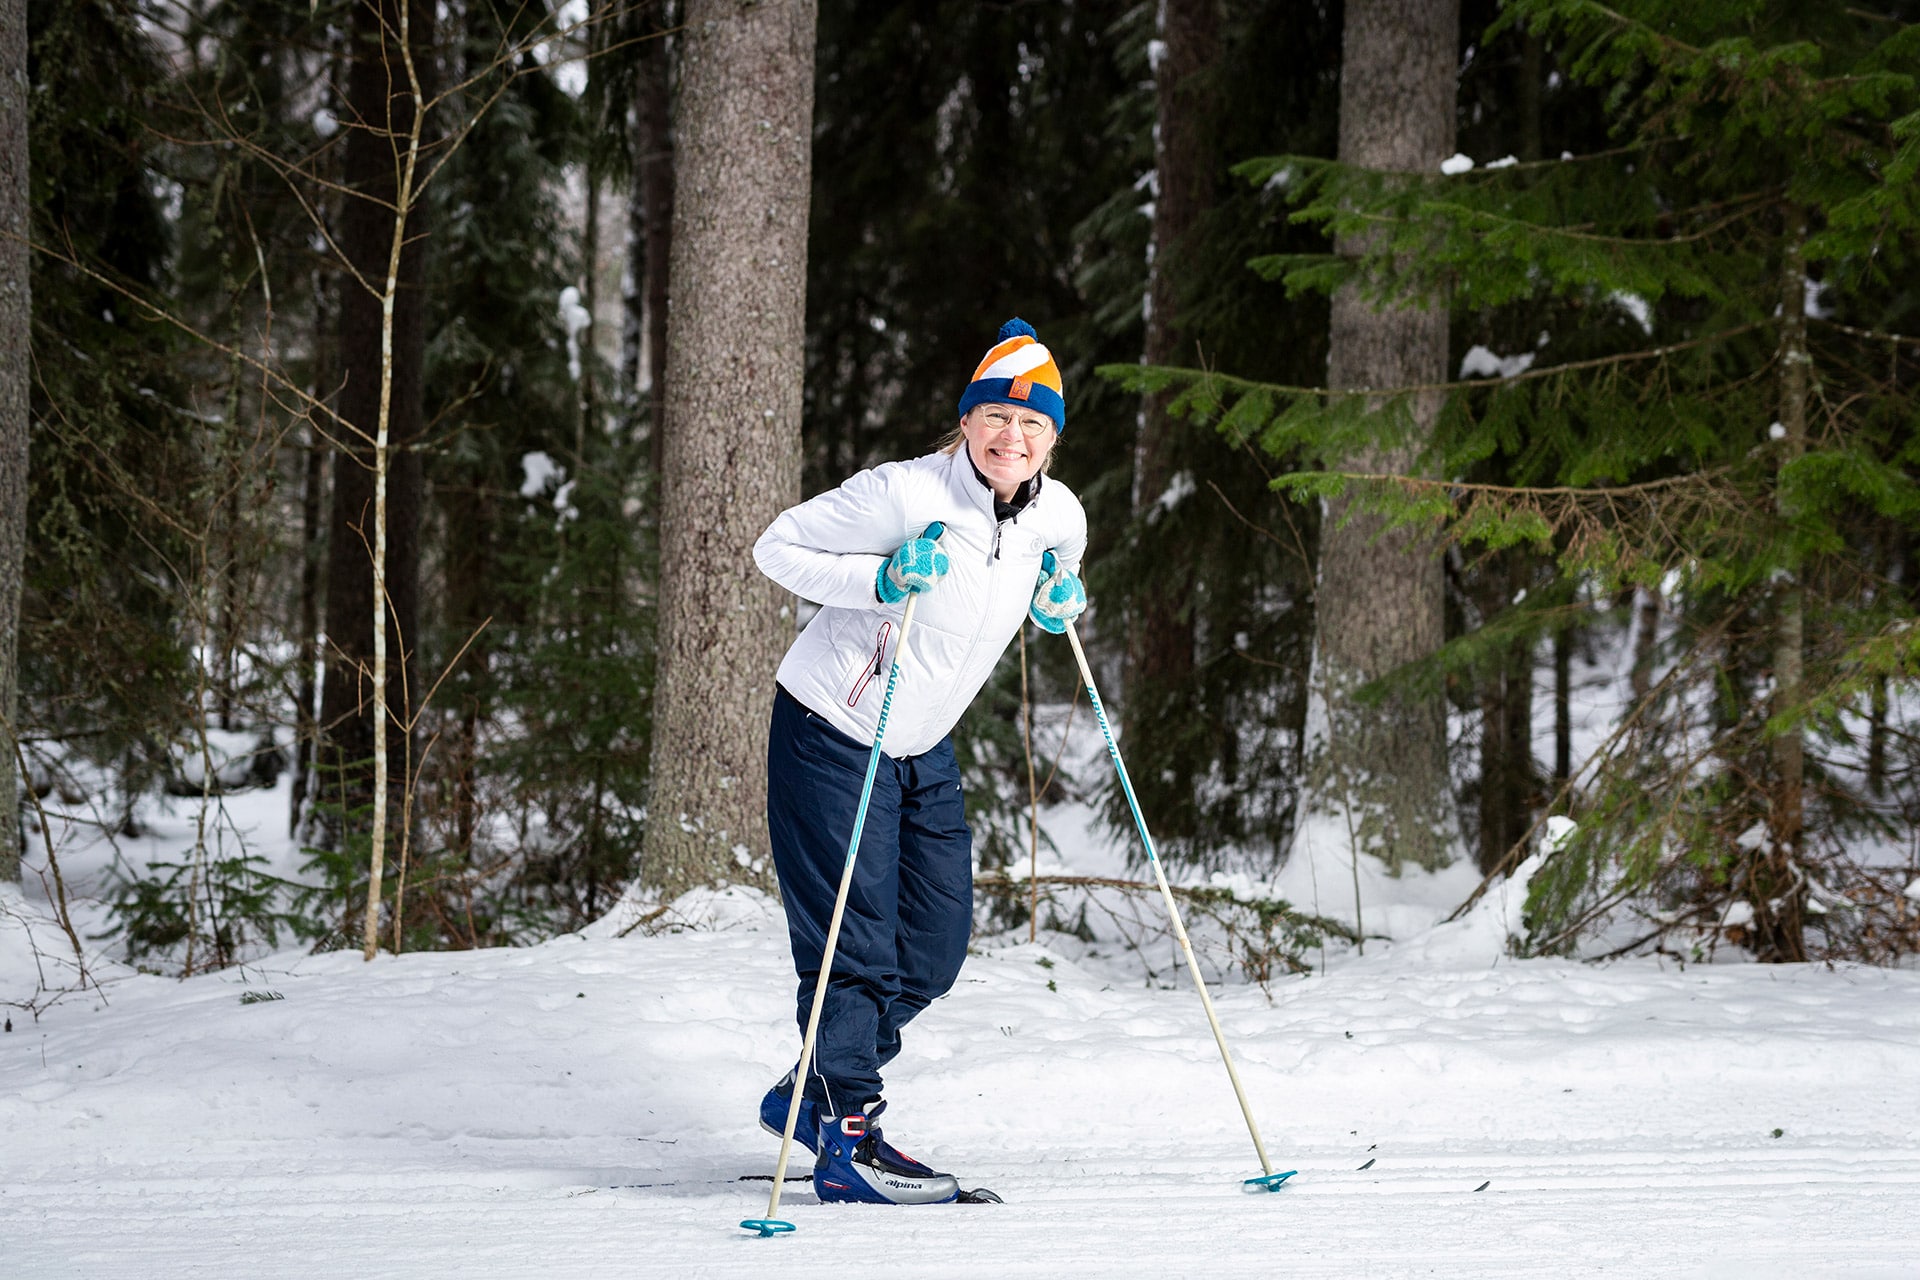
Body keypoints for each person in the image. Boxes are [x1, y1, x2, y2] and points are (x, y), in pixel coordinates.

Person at [750, 318, 1089, 1205]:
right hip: (831, 729)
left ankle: (814, 1088)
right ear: (968, 421)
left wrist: (1060, 598)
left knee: (931, 954)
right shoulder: (904, 494)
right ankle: (849, 1134)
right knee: (850, 947)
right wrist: (881, 580)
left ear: (1053, 436)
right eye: (997, 418)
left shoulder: (1057, 512)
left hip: (920, 744)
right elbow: (777, 546)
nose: (1013, 439)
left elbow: (1061, 565)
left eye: (1034, 425)